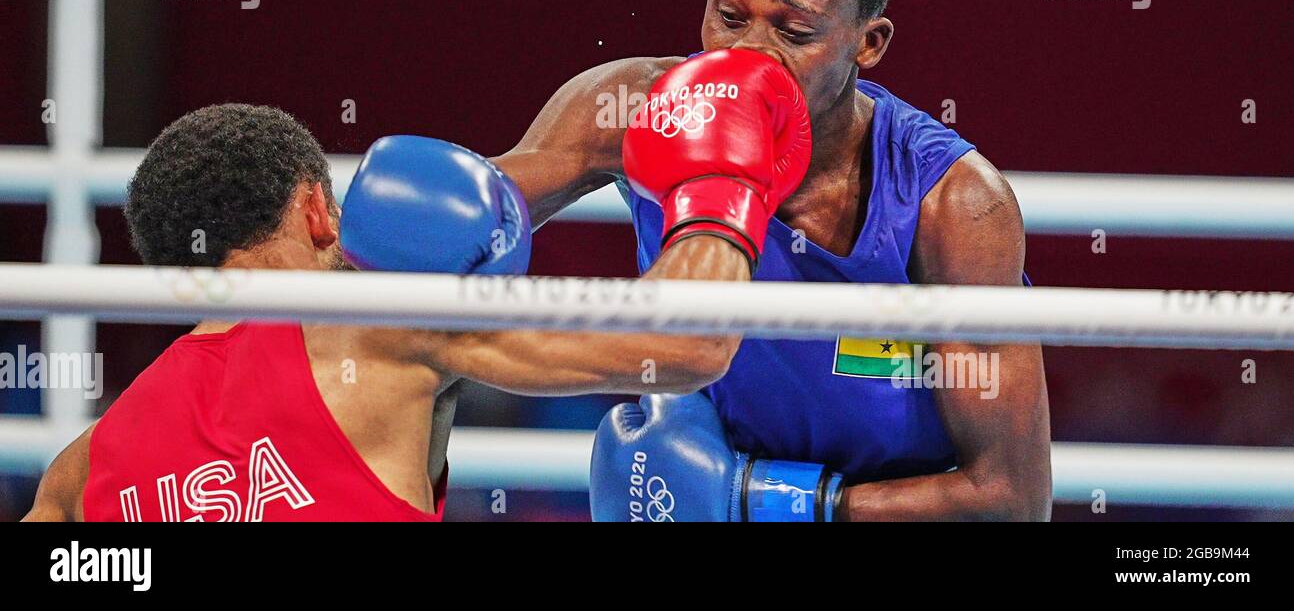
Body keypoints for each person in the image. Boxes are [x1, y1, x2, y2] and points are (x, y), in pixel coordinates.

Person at [492, 0, 1052, 521]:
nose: (751, 54)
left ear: (867, 42)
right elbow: (465, 226)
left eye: (793, 30)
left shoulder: (954, 205)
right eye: (730, 17)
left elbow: (1010, 498)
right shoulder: (631, 108)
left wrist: (771, 503)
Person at [23, 81, 801, 521]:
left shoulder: (76, 475)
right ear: (318, 211)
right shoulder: (381, 324)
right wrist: (719, 189)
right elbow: (688, 346)